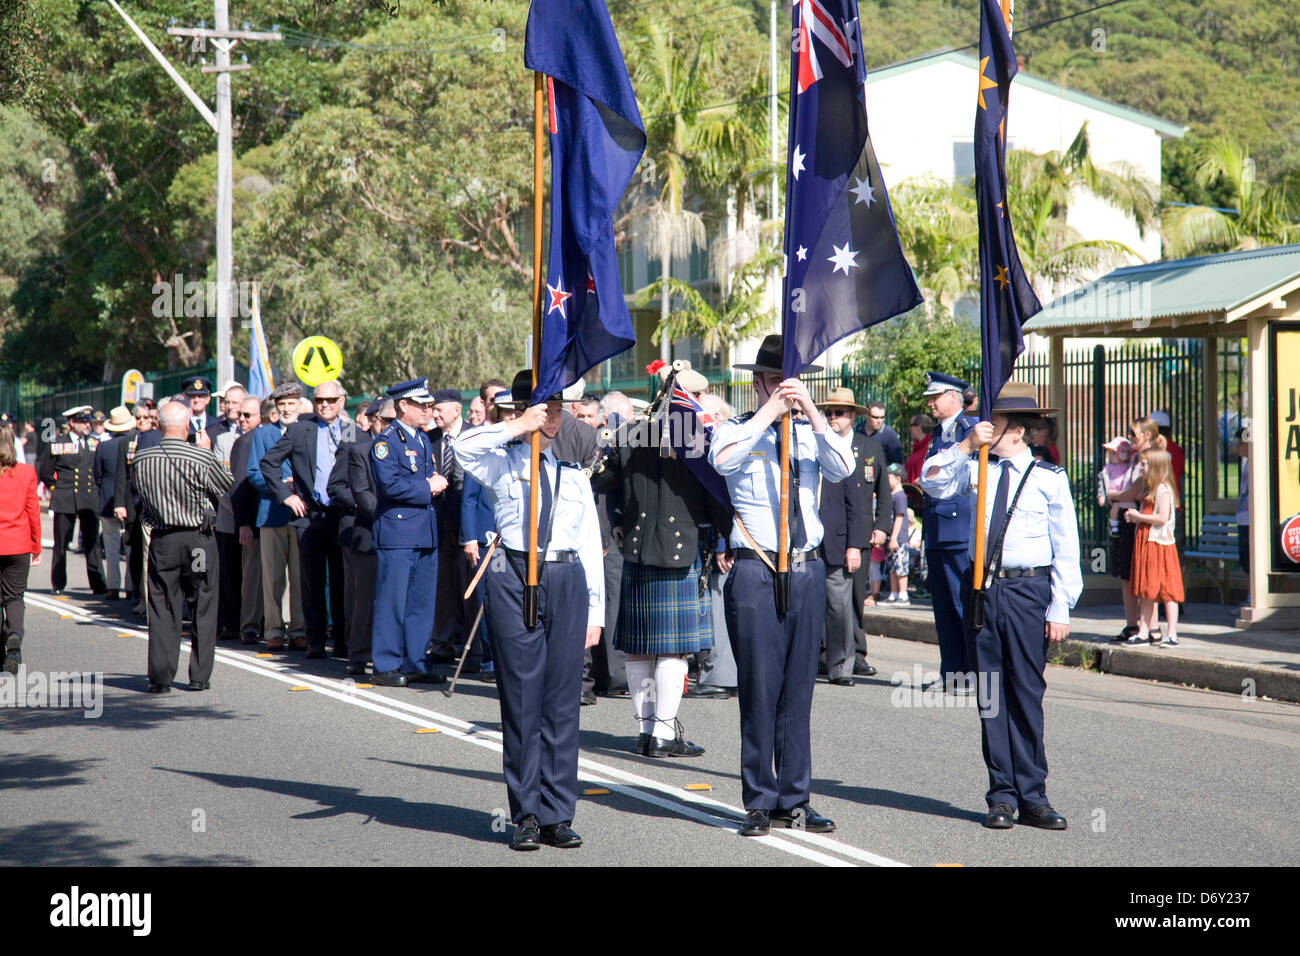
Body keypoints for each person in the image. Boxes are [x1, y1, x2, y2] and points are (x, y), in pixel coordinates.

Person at [918, 382, 1082, 830]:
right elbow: (928, 482)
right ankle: (1002, 795)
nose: (988, 425)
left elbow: (1066, 546)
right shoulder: (974, 468)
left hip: (1029, 590)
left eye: (998, 419)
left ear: (1019, 429)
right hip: (984, 589)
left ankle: (1034, 795)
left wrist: (1061, 607)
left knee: (1026, 692)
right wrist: (965, 445)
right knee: (990, 693)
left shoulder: (1049, 478)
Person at [454, 369, 604, 851]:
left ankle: (559, 811)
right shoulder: (501, 460)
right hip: (514, 573)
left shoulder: (572, 473)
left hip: (565, 577)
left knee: (562, 701)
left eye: (559, 409)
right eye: (547, 408)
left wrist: (596, 611)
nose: (555, 417)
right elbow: (462, 450)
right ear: (523, 410)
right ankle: (526, 814)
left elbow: (589, 542)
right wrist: (516, 427)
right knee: (521, 698)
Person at [710, 334, 852, 837]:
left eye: (787, 380)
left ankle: (796, 797)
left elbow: (843, 467)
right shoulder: (735, 429)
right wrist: (770, 411)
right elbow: (723, 461)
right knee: (759, 687)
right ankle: (759, 798)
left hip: (806, 566)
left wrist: (810, 408)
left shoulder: (812, 434)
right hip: (755, 568)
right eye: (772, 379)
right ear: (757, 382)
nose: (782, 387)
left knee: (798, 690)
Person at [590, 365, 728, 757]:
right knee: (671, 651)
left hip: (636, 545)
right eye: (697, 397)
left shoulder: (632, 432)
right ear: (690, 397)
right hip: (681, 549)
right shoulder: (696, 438)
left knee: (639, 649)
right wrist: (727, 537)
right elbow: (715, 494)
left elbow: (603, 482)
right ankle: (664, 732)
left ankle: (646, 731)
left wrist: (619, 520)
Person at [132, 401, 233, 693]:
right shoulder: (199, 457)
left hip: (163, 539)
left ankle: (160, 677)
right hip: (198, 541)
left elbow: (142, 496)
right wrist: (206, 451)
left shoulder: (142, 459)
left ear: (159, 424)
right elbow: (225, 484)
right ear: (188, 425)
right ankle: (199, 675)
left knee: (163, 605)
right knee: (203, 602)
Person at [259, 379, 348, 660]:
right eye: (320, 400)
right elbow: (268, 462)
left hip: (341, 516)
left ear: (341, 402)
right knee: (311, 581)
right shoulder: (300, 430)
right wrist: (286, 496)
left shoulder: (350, 430)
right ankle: (316, 640)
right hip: (309, 516)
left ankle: (344, 641)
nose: (325, 405)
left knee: (342, 581)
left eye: (331, 401)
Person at [368, 379, 447, 687]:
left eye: (429, 405)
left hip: (424, 530)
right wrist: (427, 486)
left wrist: (431, 482)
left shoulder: (422, 438)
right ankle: (386, 664)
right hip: (398, 532)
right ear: (403, 406)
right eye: (422, 405)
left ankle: (415, 659)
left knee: (420, 602)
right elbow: (390, 485)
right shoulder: (386, 440)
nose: (428, 410)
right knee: (392, 601)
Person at [816, 386, 889, 686]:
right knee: (827, 602)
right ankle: (824, 655)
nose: (833, 417)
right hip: (823, 535)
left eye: (839, 412)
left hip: (859, 534)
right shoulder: (818, 444)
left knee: (852, 600)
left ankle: (854, 655)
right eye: (829, 412)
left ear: (851, 416)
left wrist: (882, 525)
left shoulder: (867, 447)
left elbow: (882, 490)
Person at [919, 372, 977, 690]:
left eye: (935, 397)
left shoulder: (967, 429)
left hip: (956, 529)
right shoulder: (942, 431)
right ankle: (951, 672)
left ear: (953, 397)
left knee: (959, 603)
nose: (930, 402)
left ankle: (968, 672)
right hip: (938, 529)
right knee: (942, 605)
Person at [328, 397, 390, 676]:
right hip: (360, 528)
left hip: (391, 532)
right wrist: (363, 501)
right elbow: (336, 486)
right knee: (361, 598)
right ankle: (358, 654)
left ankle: (384, 653)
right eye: (384, 420)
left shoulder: (398, 446)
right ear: (373, 420)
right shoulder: (355, 445)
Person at [247, 383, 307, 652]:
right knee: (272, 578)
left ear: (299, 404)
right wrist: (284, 486)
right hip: (271, 512)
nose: (286, 408)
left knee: (300, 575)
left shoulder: (308, 430)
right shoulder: (263, 435)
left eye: (291, 403)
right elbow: (254, 473)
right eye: (282, 404)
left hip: (302, 513)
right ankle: (273, 630)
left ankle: (299, 630)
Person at [38, 405, 106, 596]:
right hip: (65, 498)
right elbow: (45, 472)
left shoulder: (94, 443)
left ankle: (98, 583)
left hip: (88, 499)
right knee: (61, 544)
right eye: (83, 422)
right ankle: (58, 583)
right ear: (72, 423)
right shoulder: (58, 443)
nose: (87, 425)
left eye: (88, 422)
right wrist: (55, 489)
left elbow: (99, 471)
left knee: (92, 543)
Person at [1125, 447, 1184, 647]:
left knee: (1167, 590)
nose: (1141, 467)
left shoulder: (1163, 489)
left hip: (1159, 545)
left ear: (1156, 466)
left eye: (1144, 464)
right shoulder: (1149, 488)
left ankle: (1172, 633)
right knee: (1146, 589)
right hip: (1146, 542)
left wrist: (1136, 516)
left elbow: (1161, 518)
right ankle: (1144, 630)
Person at [427, 388, 469, 665]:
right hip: (438, 523)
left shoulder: (474, 435)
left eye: (440, 409)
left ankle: (470, 647)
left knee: (468, 585)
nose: (435, 413)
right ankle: (442, 643)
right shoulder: (428, 439)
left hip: (467, 523)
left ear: (456, 410)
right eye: (433, 409)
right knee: (441, 585)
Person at [1106, 418, 1157, 642]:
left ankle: (1149, 625)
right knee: (1127, 575)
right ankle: (1133, 624)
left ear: (1146, 435)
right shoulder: (1136, 457)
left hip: (1140, 518)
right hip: (1130, 518)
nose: (1129, 438)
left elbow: (1137, 491)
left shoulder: (1151, 457)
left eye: (1133, 434)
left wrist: (1113, 496)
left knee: (1143, 575)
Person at [0, 418, 41, 674]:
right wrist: (35, 546)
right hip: (18, 544)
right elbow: (33, 513)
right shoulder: (26, 473)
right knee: (14, 597)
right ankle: (14, 635)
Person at [229, 397, 266, 645]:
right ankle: (250, 625)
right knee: (252, 575)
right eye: (240, 415)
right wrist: (244, 522)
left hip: (273, 516)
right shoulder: (245, 442)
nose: (241, 419)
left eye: (248, 415)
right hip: (253, 519)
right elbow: (239, 485)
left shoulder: (268, 436)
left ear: (260, 416)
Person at [93, 407, 134, 601]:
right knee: (130, 546)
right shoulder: (132, 444)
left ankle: (113, 586)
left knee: (111, 547)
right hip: (129, 502)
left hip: (108, 502)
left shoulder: (103, 446)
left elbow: (97, 476)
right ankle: (131, 586)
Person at [884, 463, 911, 604]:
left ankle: (903, 593)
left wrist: (894, 537)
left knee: (901, 566)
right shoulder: (892, 495)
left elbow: (899, 517)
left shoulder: (900, 496)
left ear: (898, 479)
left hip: (899, 538)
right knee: (892, 566)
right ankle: (893, 593)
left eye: (889, 477)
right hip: (891, 538)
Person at [855, 400, 903, 466]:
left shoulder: (890, 434)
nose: (879, 421)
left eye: (882, 417)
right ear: (866, 415)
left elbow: (898, 463)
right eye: (875, 417)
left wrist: (889, 473)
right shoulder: (855, 431)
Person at [903, 412, 933, 483]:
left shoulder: (931, 447)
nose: (909, 428)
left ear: (918, 427)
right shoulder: (917, 447)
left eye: (911, 425)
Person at [184, 377, 217, 442]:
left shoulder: (217, 423)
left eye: (200, 396)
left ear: (208, 399)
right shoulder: (183, 424)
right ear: (187, 398)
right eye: (192, 396)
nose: (196, 400)